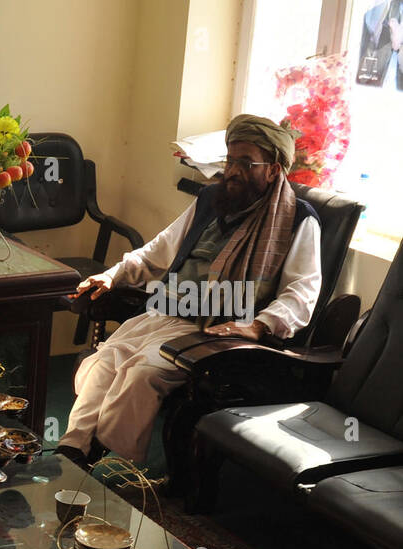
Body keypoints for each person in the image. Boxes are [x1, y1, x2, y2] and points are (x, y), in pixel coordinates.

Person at [55, 114, 322, 467]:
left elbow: (302, 293)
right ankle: (71, 451)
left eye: (246, 162)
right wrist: (113, 276)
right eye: (231, 160)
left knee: (141, 374)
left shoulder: (297, 219)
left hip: (217, 330)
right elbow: (158, 250)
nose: (234, 171)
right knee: (105, 362)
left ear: (273, 169)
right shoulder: (212, 199)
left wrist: (258, 325)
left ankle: (113, 463)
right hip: (165, 312)